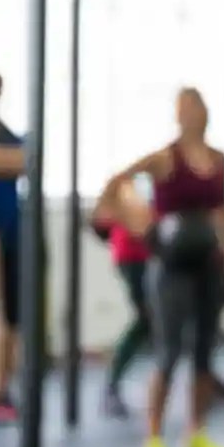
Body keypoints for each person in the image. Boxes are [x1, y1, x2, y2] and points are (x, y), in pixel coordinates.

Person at [98, 87, 224, 447]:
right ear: (178, 115)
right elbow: (115, 183)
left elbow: (222, 210)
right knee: (168, 353)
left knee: (206, 351)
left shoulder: (219, 159)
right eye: (187, 107)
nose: (195, 113)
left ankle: (196, 436)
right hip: (170, 266)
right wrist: (137, 220)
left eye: (199, 106)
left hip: (208, 263)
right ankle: (153, 442)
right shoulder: (163, 158)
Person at [93, 179, 155, 419]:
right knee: (145, 319)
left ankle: (205, 380)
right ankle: (111, 387)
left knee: (153, 320)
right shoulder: (125, 186)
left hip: (146, 257)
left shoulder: (139, 185)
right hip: (133, 258)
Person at [0, 72, 24, 425]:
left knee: (10, 316)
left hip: (11, 230)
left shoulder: (5, 131)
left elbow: (25, 160)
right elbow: (18, 160)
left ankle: (2, 388)